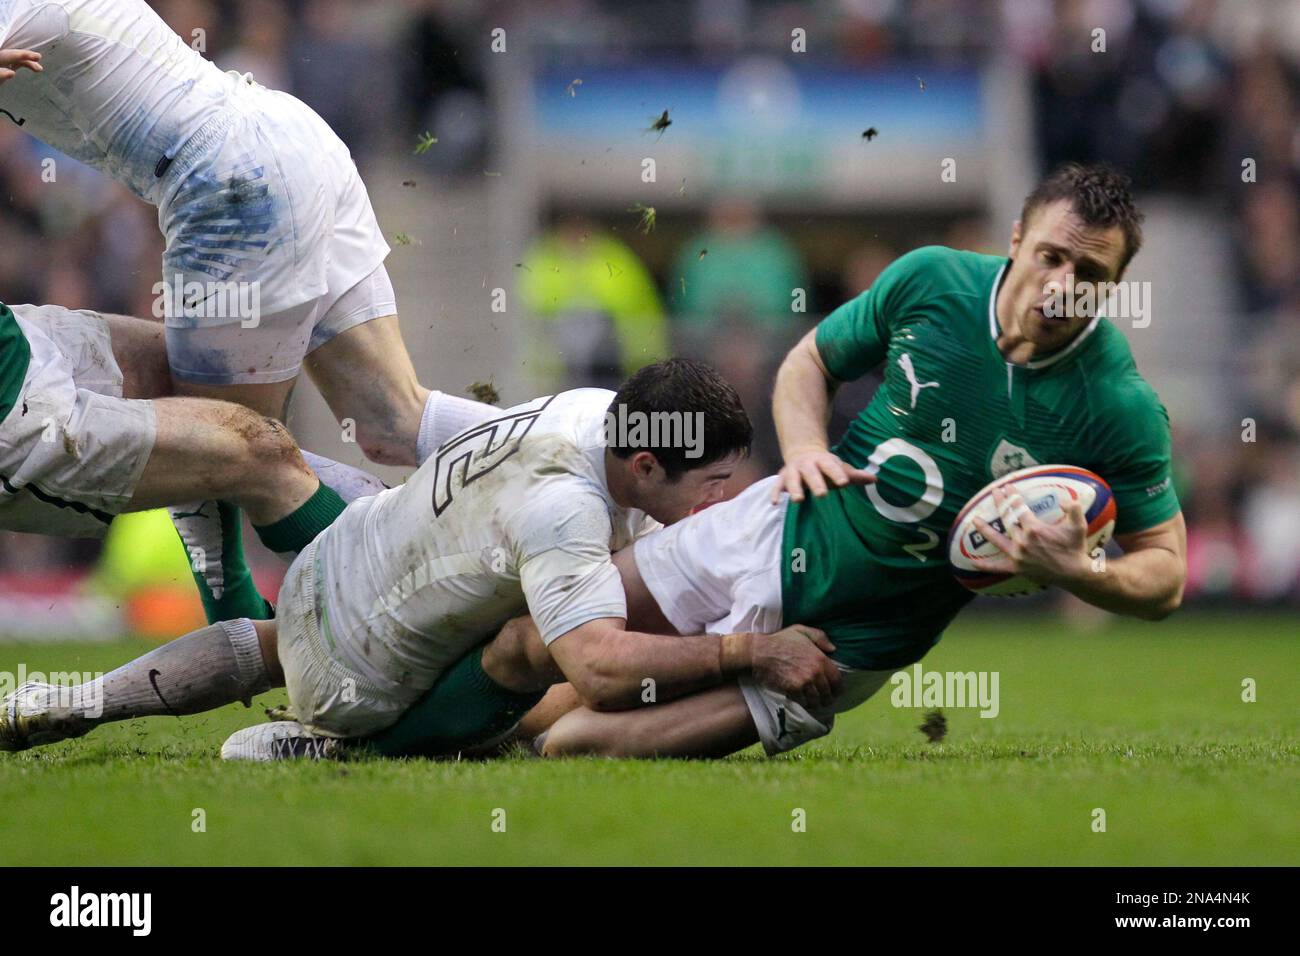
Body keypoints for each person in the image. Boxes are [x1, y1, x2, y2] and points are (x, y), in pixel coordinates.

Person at [1, 360, 841, 756]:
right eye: (713, 485)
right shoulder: (566, 510)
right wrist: (749, 651)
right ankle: (348, 747)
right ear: (649, 464)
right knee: (535, 644)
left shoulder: (595, 413)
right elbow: (599, 670)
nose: (716, 505)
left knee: (279, 640)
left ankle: (76, 700)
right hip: (356, 679)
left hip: (336, 557)